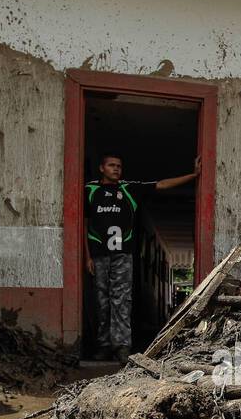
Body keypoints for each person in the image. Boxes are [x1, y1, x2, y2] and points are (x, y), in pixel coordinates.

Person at [85, 152, 199, 361]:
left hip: (122, 255)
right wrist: (87, 256)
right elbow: (83, 224)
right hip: (99, 255)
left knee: (122, 301)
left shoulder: (128, 189)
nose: (116, 169)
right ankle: (103, 345)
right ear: (101, 168)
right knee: (101, 302)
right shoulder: (90, 191)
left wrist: (193, 175)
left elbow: (161, 184)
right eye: (111, 165)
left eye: (119, 166)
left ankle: (121, 346)